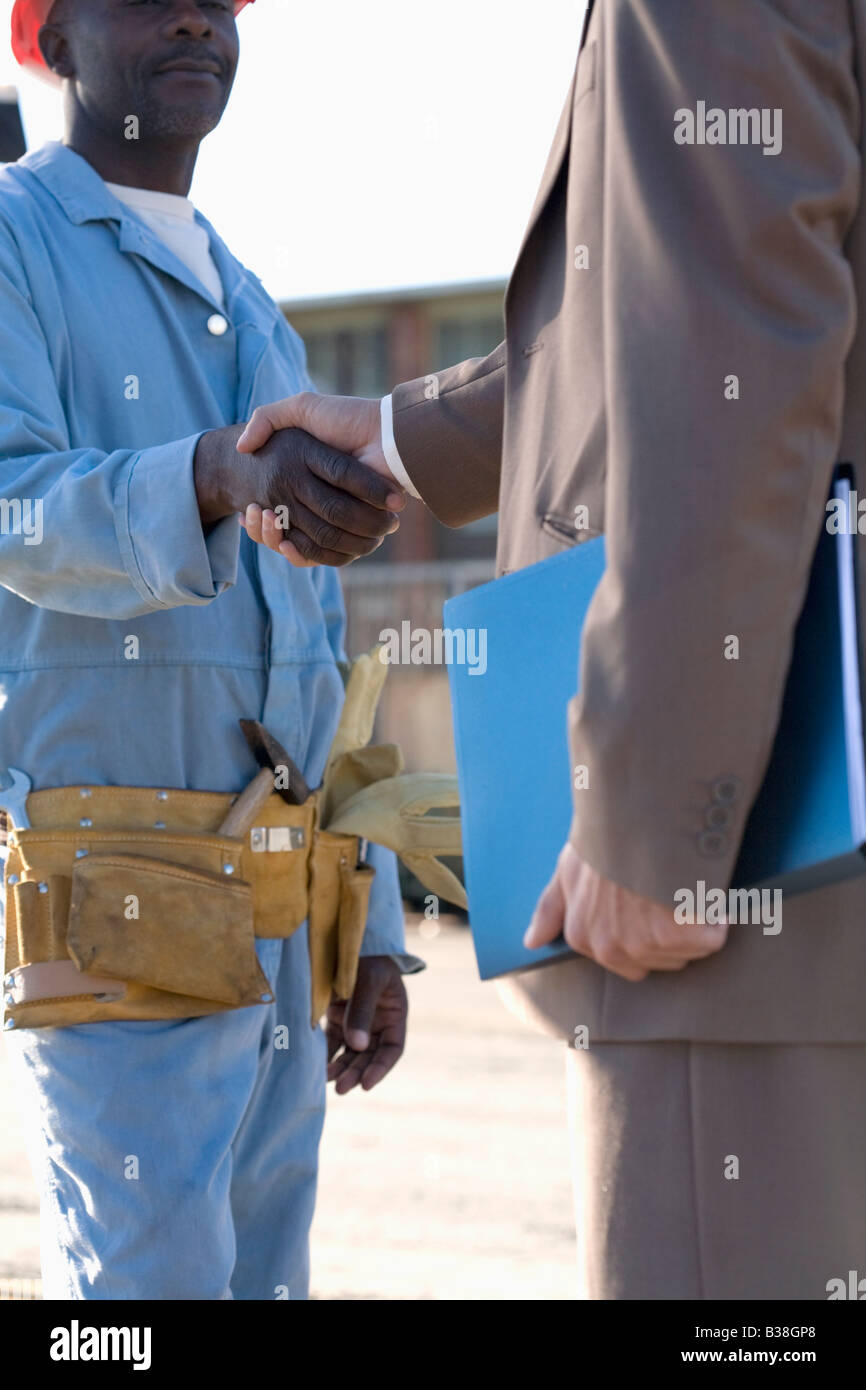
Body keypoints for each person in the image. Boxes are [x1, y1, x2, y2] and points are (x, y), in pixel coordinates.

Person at [238, 0, 866, 1299]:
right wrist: (412, 438)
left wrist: (653, 824)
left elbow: (734, 343)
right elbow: (696, 307)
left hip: (763, 919)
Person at [0, 0, 420, 1301]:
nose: (195, 15)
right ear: (49, 41)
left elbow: (318, 644)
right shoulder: (15, 241)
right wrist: (206, 476)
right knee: (154, 1285)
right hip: (114, 885)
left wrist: (377, 914)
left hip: (284, 912)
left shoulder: (257, 312)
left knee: (262, 1280)